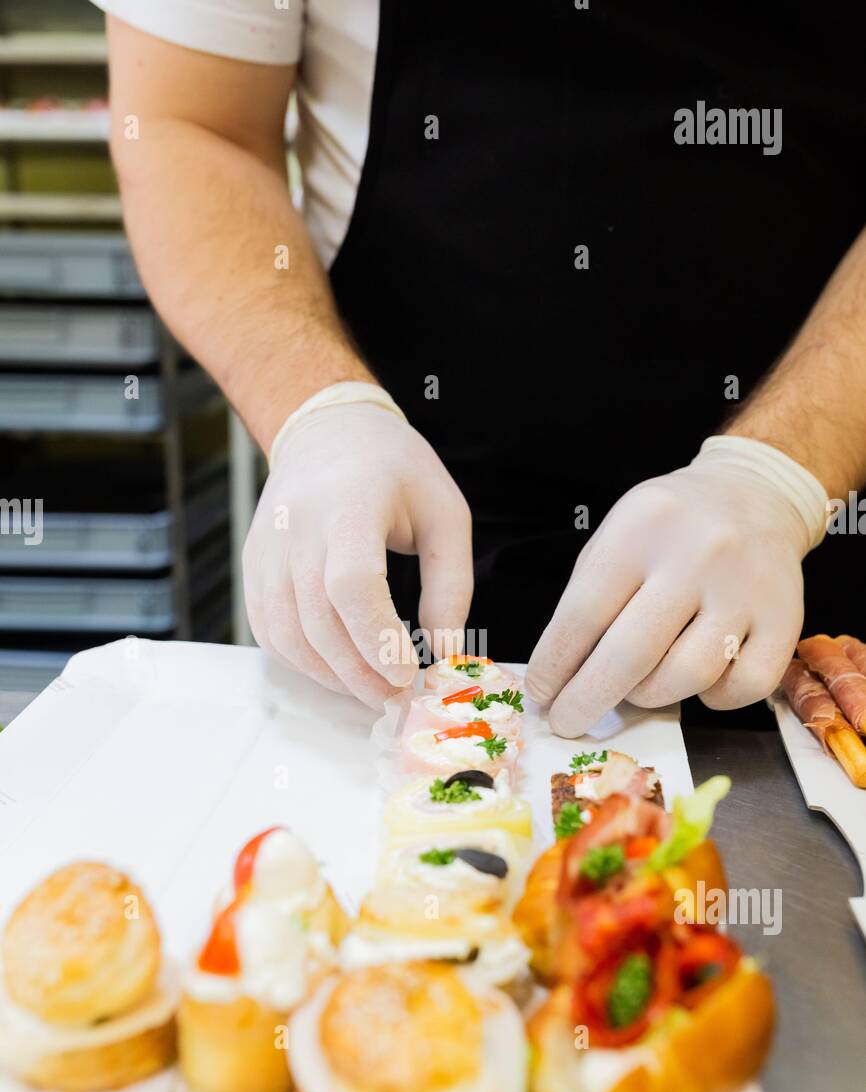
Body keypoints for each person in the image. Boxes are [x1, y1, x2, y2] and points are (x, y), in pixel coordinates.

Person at [95, 1, 866, 732]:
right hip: (410, 532)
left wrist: (779, 478)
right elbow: (192, 125)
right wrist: (319, 412)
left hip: (810, 563)